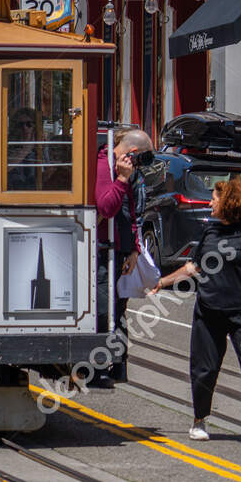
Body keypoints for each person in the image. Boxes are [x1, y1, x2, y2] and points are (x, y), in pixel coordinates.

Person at [149, 174, 241, 450]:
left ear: (229, 202)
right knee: (204, 369)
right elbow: (193, 268)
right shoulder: (211, 232)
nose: (210, 203)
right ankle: (199, 421)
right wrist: (161, 282)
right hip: (208, 311)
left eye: (214, 198)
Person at [92, 127, 153, 387]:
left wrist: (135, 249)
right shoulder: (104, 166)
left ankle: (118, 363)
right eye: (140, 159)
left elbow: (130, 212)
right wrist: (122, 179)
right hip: (103, 249)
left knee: (118, 309)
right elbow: (106, 205)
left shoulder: (124, 172)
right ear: (131, 153)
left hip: (120, 251)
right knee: (104, 310)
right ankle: (97, 368)